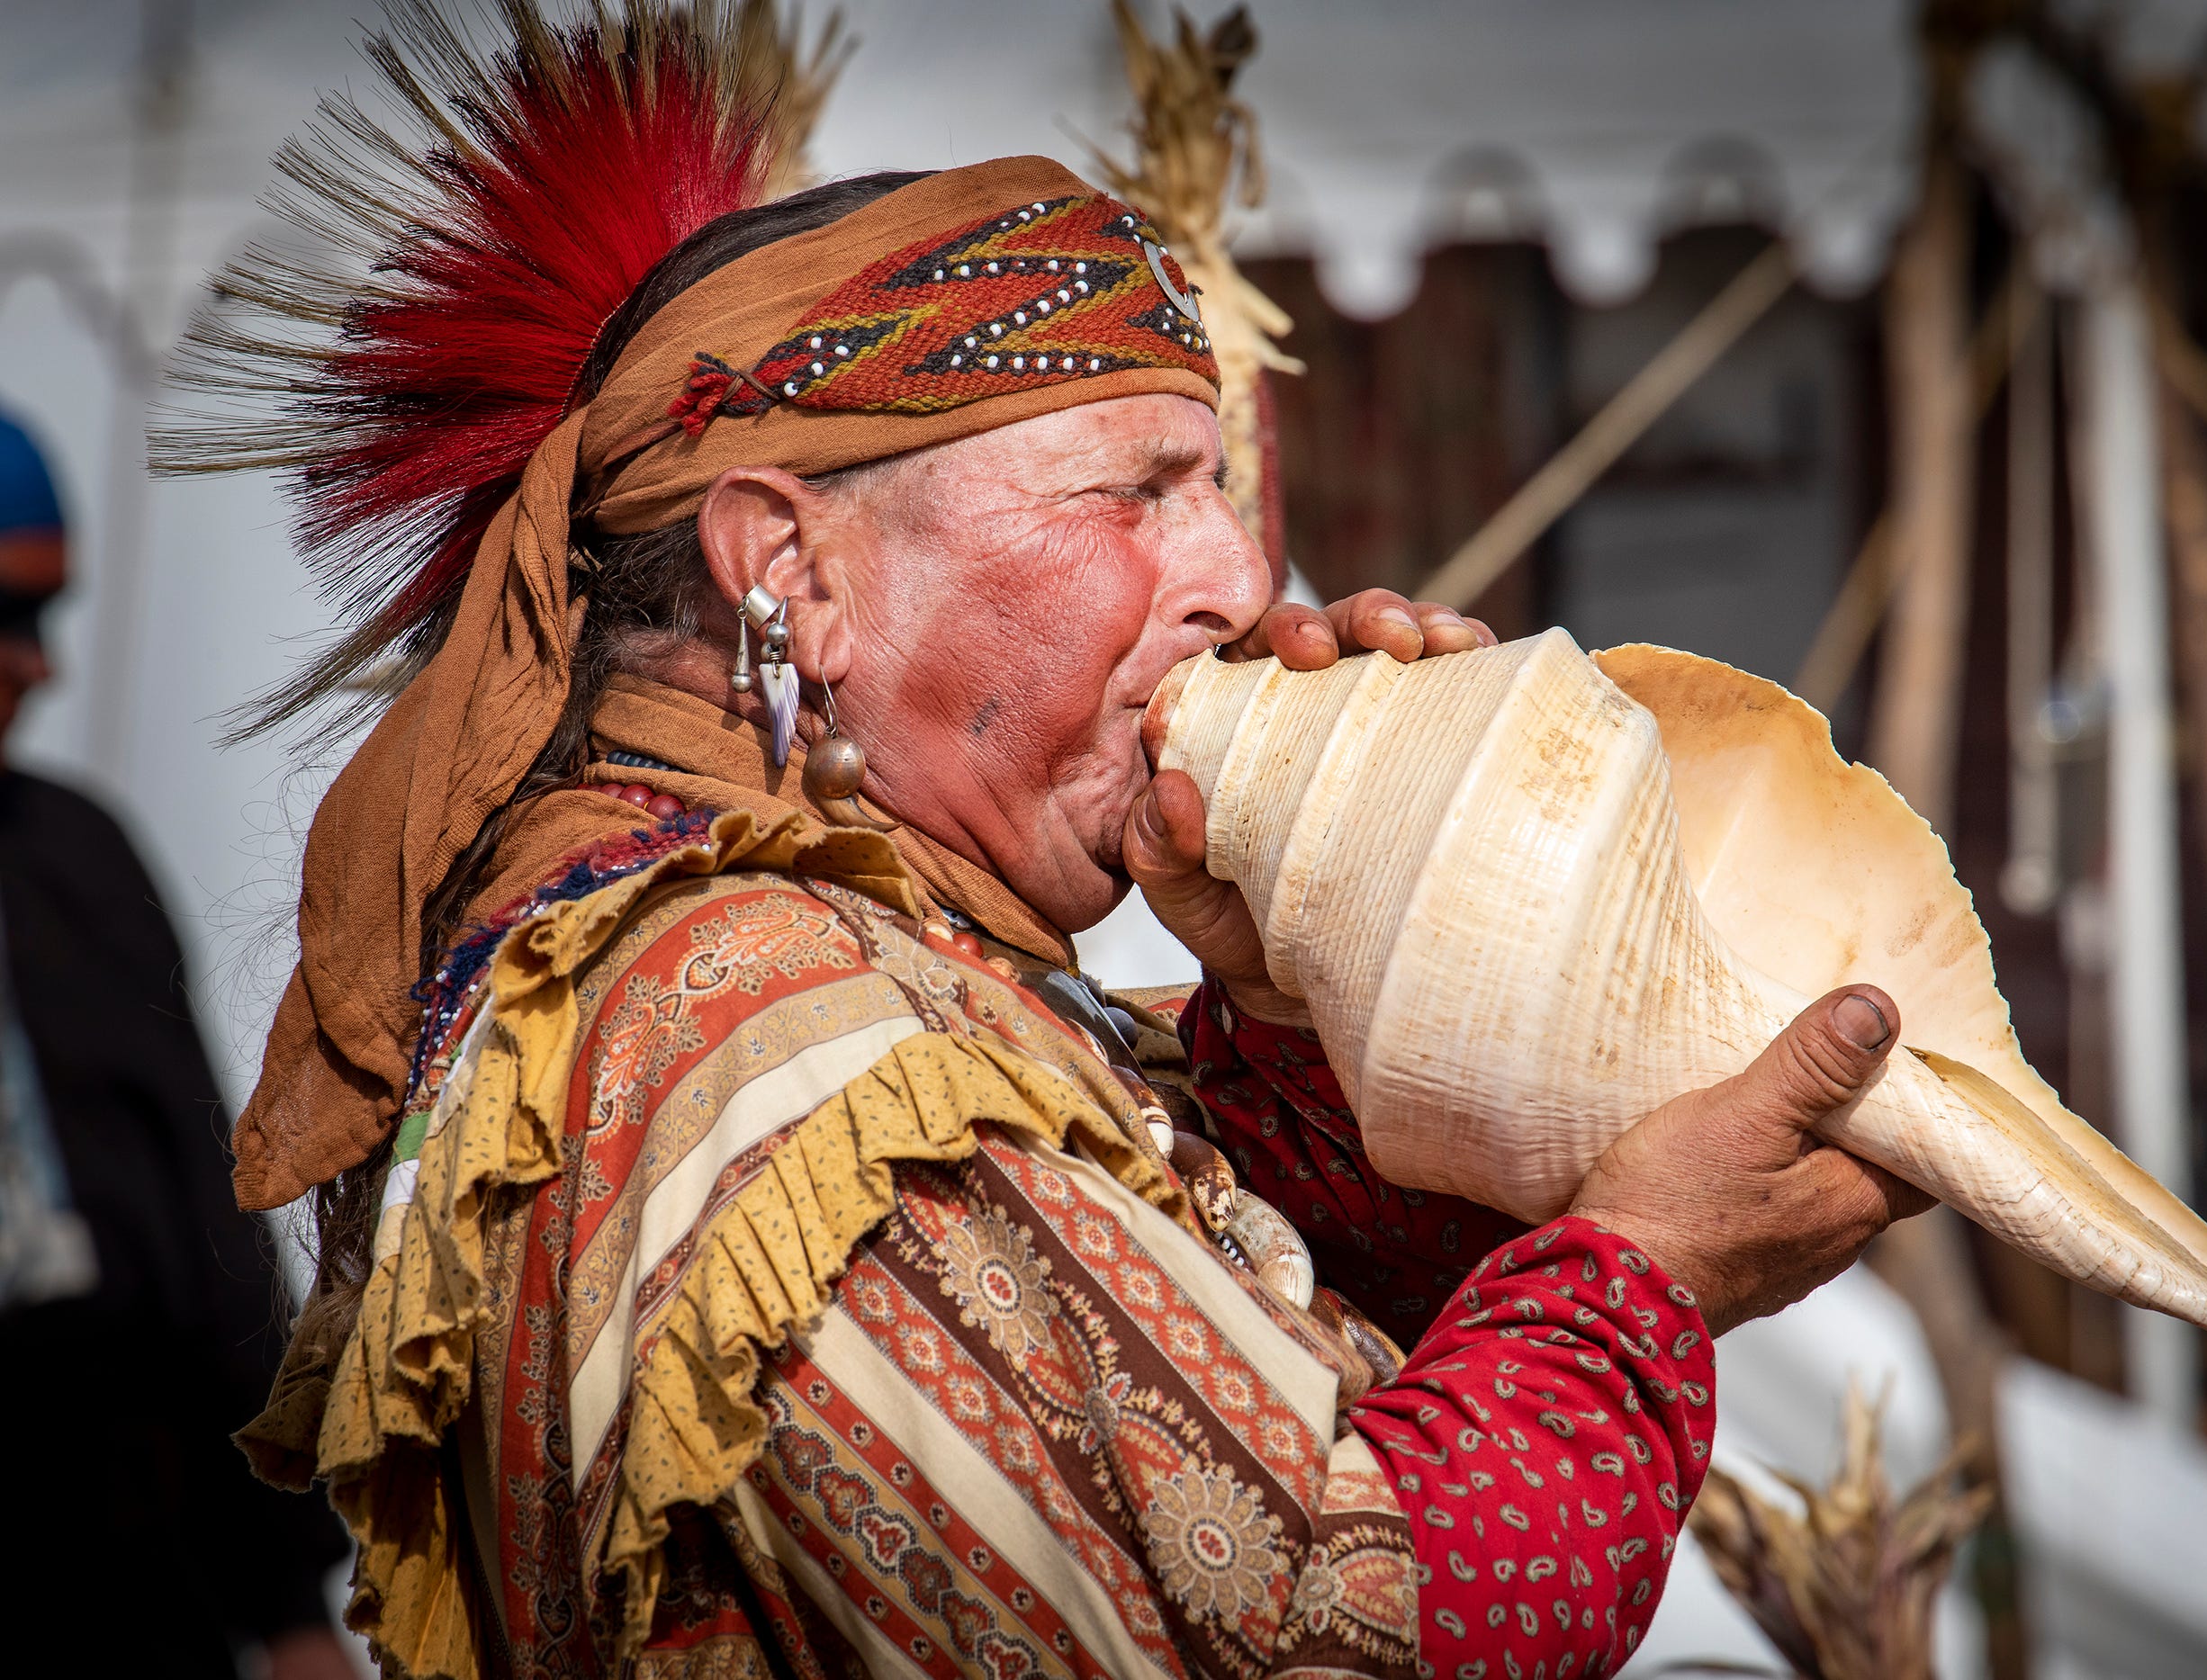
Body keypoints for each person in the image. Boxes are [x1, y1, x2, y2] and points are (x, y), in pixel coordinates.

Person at [185, 9, 1929, 1678]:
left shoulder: (818, 970)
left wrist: (1310, 991)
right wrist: (1643, 1278)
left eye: (1216, 492)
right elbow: (1314, 1632)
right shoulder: (762, 1029)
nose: (1239, 580)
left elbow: (1198, 1388)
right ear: (791, 571)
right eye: (1138, 491)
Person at [0, 412, 356, 1676]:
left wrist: (295, 1603)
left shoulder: (74, 863)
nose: (37, 666)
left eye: (45, 616)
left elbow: (215, 1248)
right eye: (5, 616)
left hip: (129, 1580)